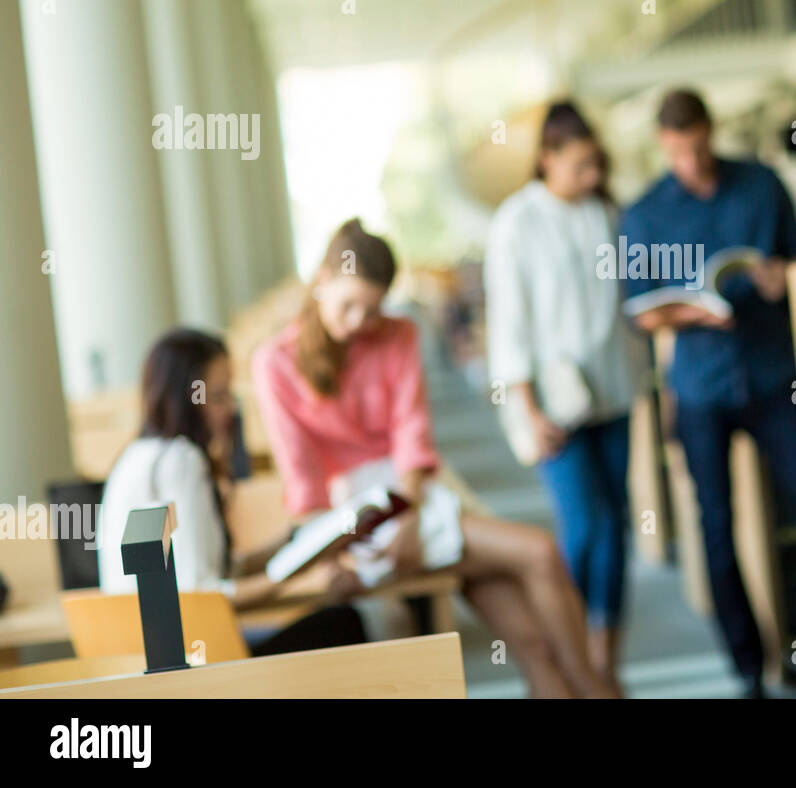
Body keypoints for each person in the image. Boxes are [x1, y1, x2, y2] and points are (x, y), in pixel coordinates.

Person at [252, 217, 618, 698]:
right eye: (349, 306)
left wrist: (407, 514)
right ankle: (594, 687)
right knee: (539, 552)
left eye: (373, 309)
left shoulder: (398, 334)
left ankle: (575, 684)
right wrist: (328, 557)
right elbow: (301, 471)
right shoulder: (275, 361)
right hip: (352, 517)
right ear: (321, 280)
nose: (361, 323)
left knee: (532, 643)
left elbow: (411, 431)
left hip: (413, 490)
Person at [618, 88, 796, 698]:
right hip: (701, 387)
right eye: (679, 152)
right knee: (715, 526)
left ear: (711, 130)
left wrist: (779, 275)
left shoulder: (761, 183)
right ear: (663, 144)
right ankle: (746, 667)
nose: (692, 161)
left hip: (773, 377)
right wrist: (688, 312)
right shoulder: (646, 212)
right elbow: (637, 312)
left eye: (699, 146)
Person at [484, 100, 648, 694]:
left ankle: (605, 661)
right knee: (585, 527)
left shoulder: (606, 212)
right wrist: (524, 407)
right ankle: (568, 659)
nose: (592, 177)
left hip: (614, 393)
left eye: (596, 165)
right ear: (546, 159)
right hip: (551, 404)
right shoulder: (517, 222)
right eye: (579, 165)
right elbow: (509, 324)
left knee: (618, 530)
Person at [98, 328, 370, 658]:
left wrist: (291, 543)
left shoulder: (134, 459)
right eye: (220, 395)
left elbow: (204, 570)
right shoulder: (182, 462)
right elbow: (203, 594)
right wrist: (295, 573)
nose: (229, 410)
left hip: (145, 656)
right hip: (197, 663)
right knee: (343, 622)